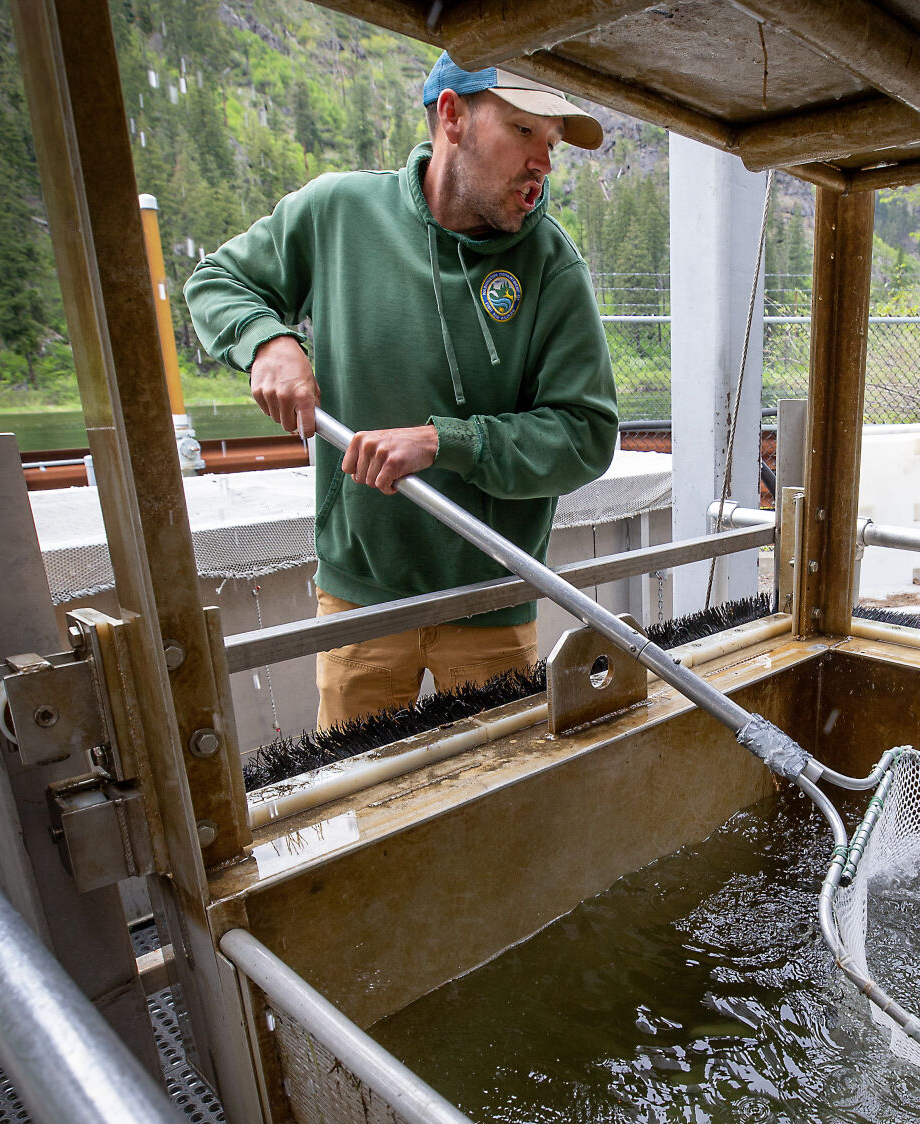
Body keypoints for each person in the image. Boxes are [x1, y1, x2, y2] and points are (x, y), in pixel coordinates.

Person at [185, 54, 617, 729]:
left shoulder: (551, 267)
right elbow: (216, 282)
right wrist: (266, 340)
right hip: (359, 600)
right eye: (524, 132)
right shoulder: (337, 211)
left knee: (496, 808)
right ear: (451, 115)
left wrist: (445, 441)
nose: (544, 163)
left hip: (491, 604)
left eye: (552, 143)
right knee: (355, 809)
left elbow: (585, 437)